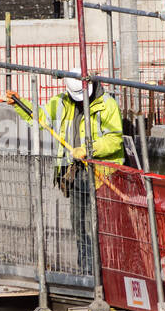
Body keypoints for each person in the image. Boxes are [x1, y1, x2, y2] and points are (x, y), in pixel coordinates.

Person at [7, 78, 124, 275]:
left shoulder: (107, 105)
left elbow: (115, 139)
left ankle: (107, 273)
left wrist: (89, 149)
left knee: (100, 226)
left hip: (104, 174)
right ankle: (87, 271)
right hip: (77, 172)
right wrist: (21, 104)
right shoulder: (62, 102)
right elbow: (40, 116)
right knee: (80, 224)